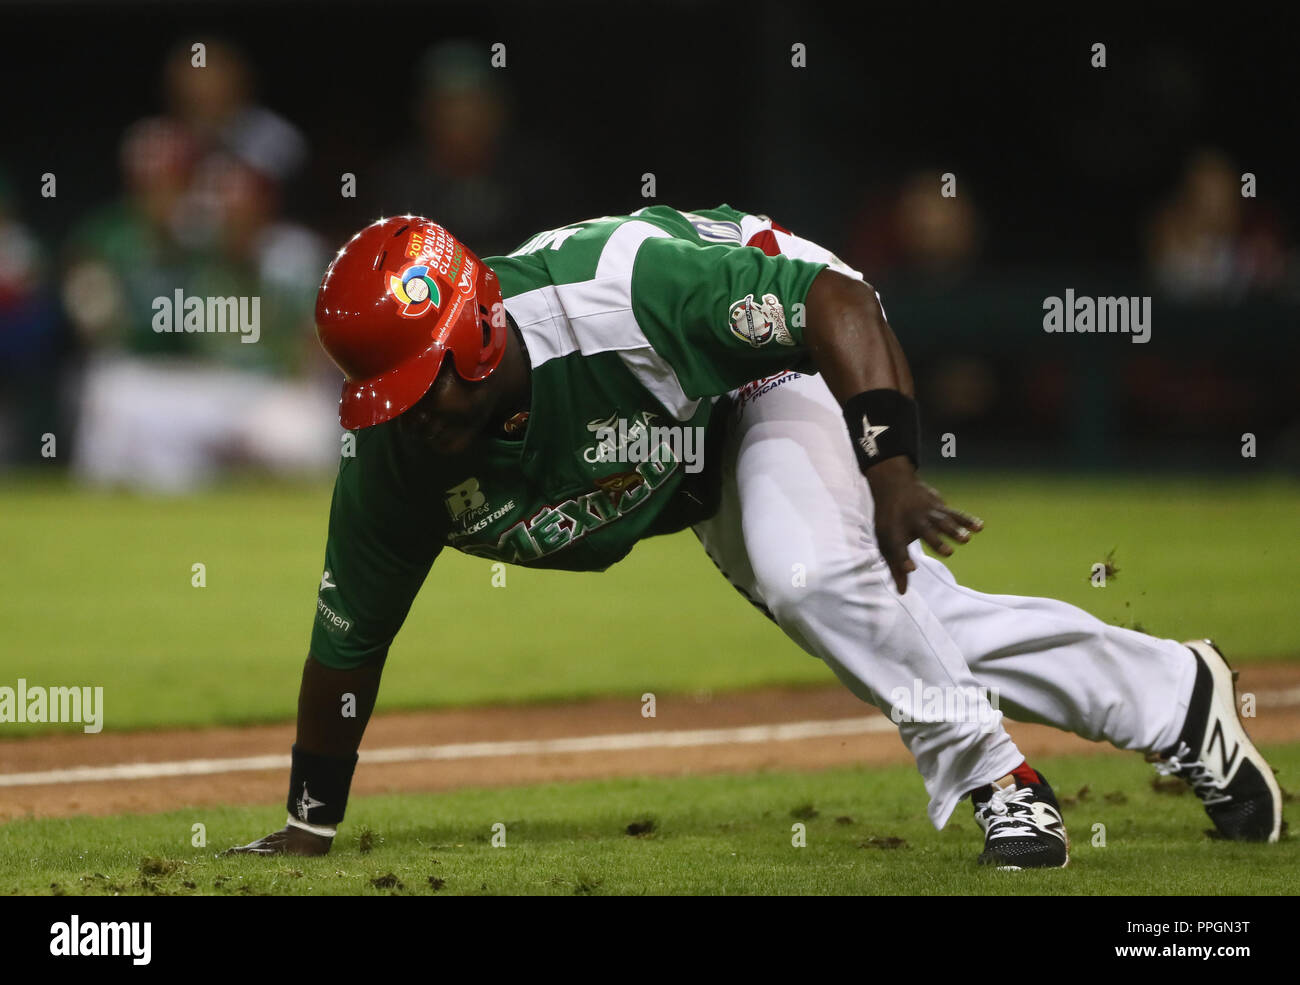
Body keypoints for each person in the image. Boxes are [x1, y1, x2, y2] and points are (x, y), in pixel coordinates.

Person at [228, 205, 1282, 867]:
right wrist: (311, 820)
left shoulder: (621, 294)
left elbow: (833, 299)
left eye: (420, 387)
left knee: (812, 574)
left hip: (777, 356)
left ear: (480, 331)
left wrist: (891, 468)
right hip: (696, 453)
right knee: (906, 617)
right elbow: (348, 644)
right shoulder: (402, 460)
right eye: (385, 397)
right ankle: (1172, 694)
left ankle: (1000, 782)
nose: (410, 416)